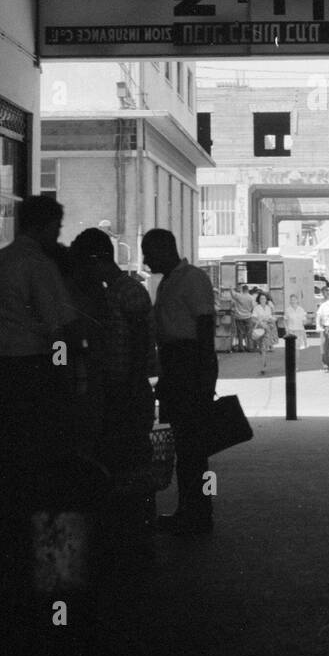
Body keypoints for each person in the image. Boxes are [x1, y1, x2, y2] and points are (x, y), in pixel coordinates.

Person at [0, 195, 81, 496]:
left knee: (5, 457)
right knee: (36, 456)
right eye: (56, 227)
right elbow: (57, 328)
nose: (58, 235)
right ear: (44, 226)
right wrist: (64, 373)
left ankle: (7, 519)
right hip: (33, 371)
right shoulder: (37, 265)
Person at [67, 228, 159, 492]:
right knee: (123, 458)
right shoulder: (113, 292)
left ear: (97, 260)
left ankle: (138, 521)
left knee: (131, 460)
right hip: (121, 387)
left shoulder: (127, 291)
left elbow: (141, 342)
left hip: (127, 388)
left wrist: (131, 387)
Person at [142, 228, 218, 536]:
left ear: (164, 250)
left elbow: (205, 327)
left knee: (195, 450)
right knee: (185, 448)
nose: (145, 260)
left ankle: (201, 513)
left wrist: (204, 375)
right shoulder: (168, 281)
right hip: (176, 366)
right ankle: (190, 509)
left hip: (189, 365)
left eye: (148, 252)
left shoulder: (193, 279)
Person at [252, 292, 278, 374]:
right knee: (262, 348)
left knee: (264, 348)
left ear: (266, 299)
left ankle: (263, 367)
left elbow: (271, 317)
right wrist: (260, 323)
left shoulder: (268, 307)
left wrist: (272, 319)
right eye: (261, 298)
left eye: (264, 298)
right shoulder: (256, 308)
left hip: (267, 329)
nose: (263, 300)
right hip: (260, 329)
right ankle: (264, 361)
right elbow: (253, 319)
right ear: (259, 300)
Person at [231, 284, 255, 353]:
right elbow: (253, 307)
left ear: (242, 290)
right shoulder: (251, 297)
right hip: (248, 316)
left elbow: (232, 293)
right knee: (249, 332)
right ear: (248, 290)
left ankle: (241, 348)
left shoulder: (239, 296)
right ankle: (250, 347)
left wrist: (230, 287)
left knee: (240, 333)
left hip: (239, 317)